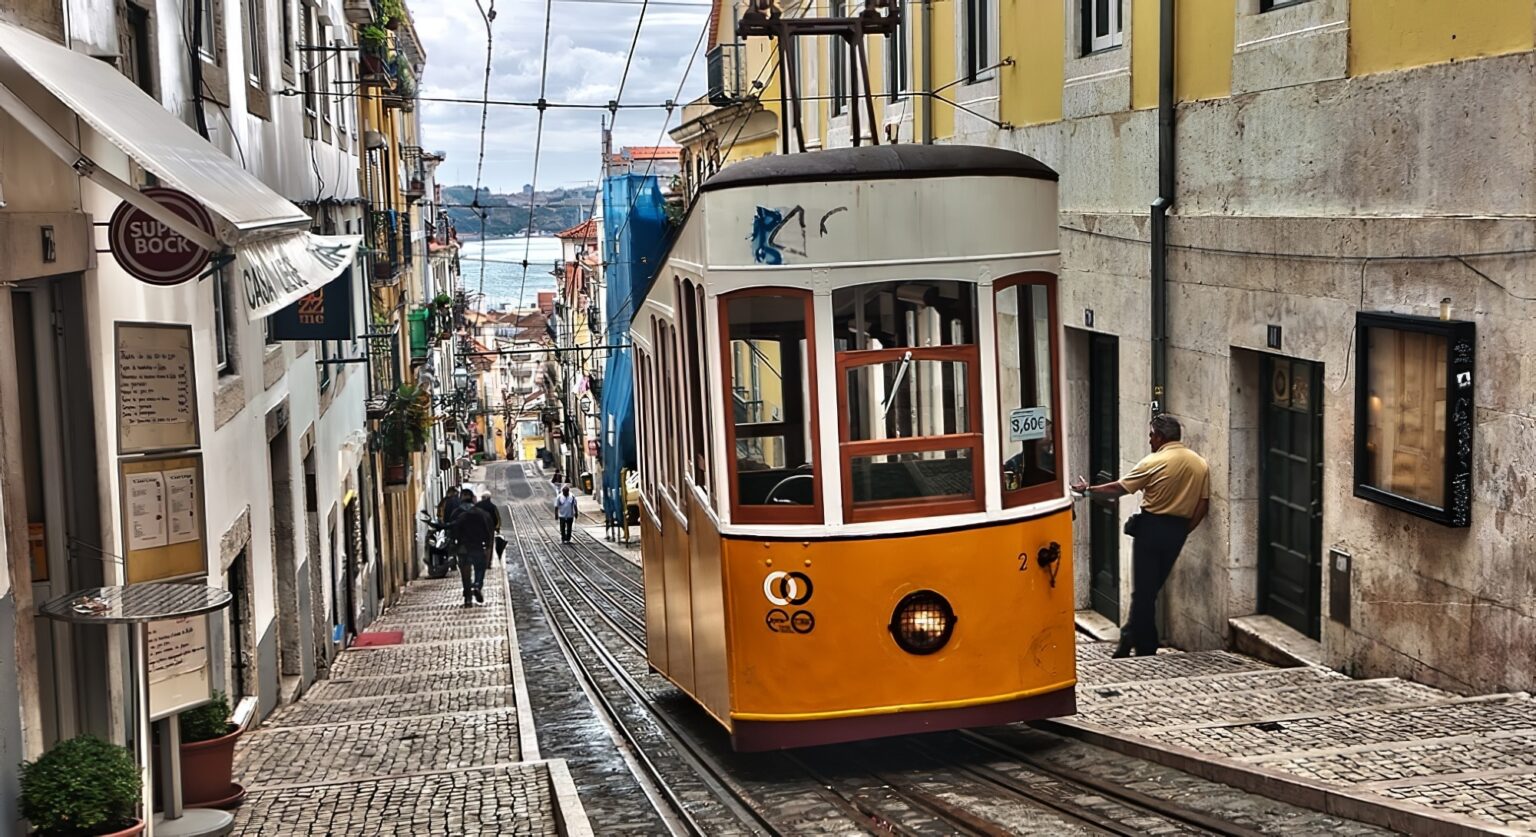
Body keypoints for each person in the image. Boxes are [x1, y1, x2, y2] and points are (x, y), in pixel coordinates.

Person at [1072, 413, 1209, 658]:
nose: (1149, 441)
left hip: (1151, 528)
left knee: (1143, 592)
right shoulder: (1199, 463)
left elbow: (1119, 489)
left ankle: (1140, 644)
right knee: (1150, 590)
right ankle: (1138, 639)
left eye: (1150, 436)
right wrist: (1184, 530)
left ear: (1160, 436)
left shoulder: (1153, 462)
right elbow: (1203, 504)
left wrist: (1088, 492)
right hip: (1177, 531)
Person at [431, 488, 494, 606]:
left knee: (465, 572)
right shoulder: (481, 514)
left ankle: (468, 596)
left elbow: (451, 529)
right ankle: (477, 585)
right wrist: (488, 546)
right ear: (473, 499)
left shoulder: (456, 513)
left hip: (463, 547)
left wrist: (452, 545)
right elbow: (488, 531)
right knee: (480, 568)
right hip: (478, 546)